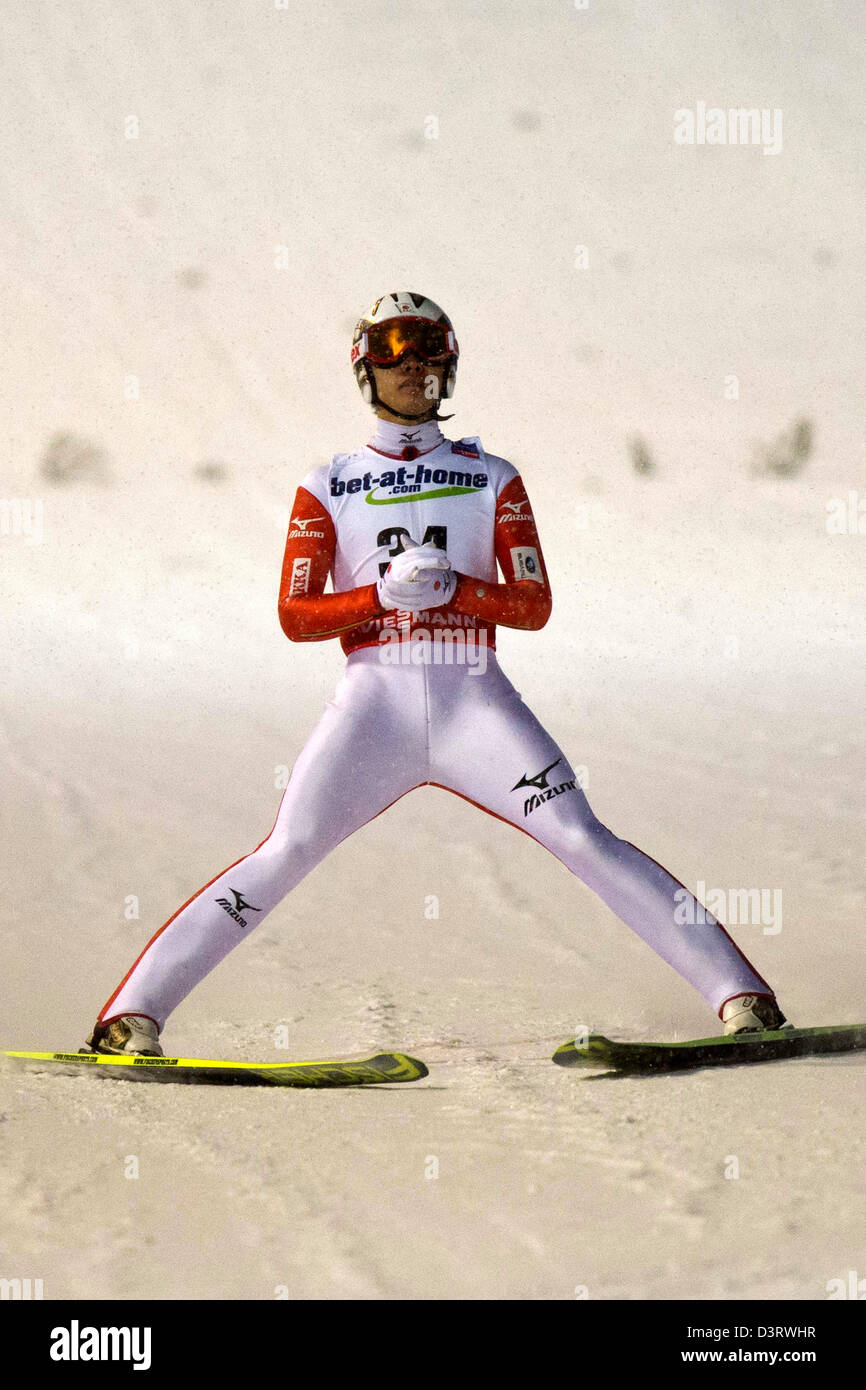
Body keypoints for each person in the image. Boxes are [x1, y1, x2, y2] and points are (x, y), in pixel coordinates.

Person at [84, 291, 787, 1058]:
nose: (414, 366)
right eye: (394, 351)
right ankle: (131, 1016)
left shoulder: (492, 475)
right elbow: (295, 614)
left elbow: (534, 604)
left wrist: (460, 590)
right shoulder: (328, 482)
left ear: (449, 364)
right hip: (373, 702)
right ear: (366, 370)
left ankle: (743, 999)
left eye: (428, 351)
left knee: (583, 837)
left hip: (473, 700)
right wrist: (376, 597)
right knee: (286, 850)